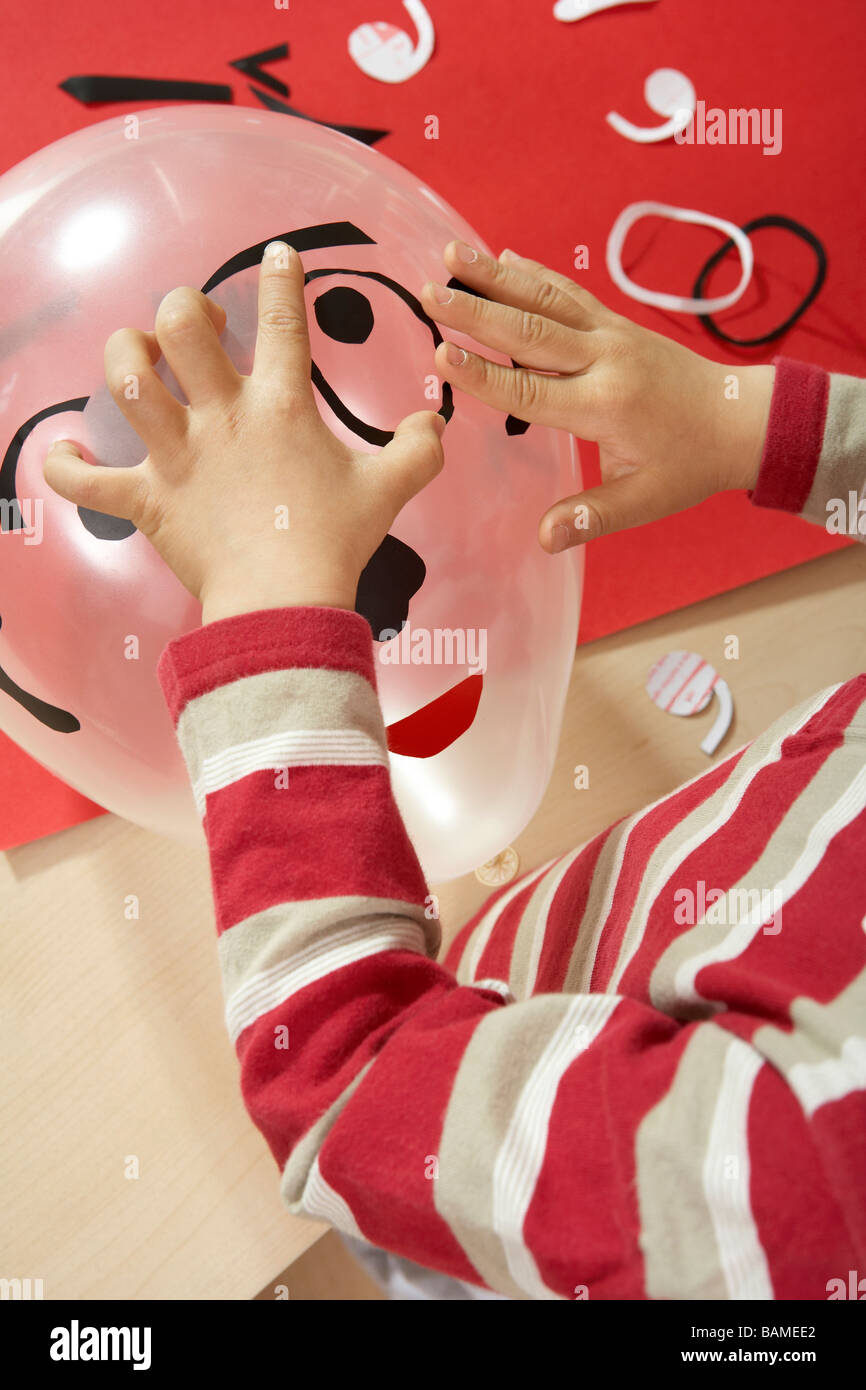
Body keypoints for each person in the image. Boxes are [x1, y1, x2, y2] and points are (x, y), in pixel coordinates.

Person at [43, 239, 865, 1301]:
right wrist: (752, 422)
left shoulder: (792, 1211)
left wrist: (267, 584)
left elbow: (352, 1086)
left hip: (482, 1169)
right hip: (646, 924)